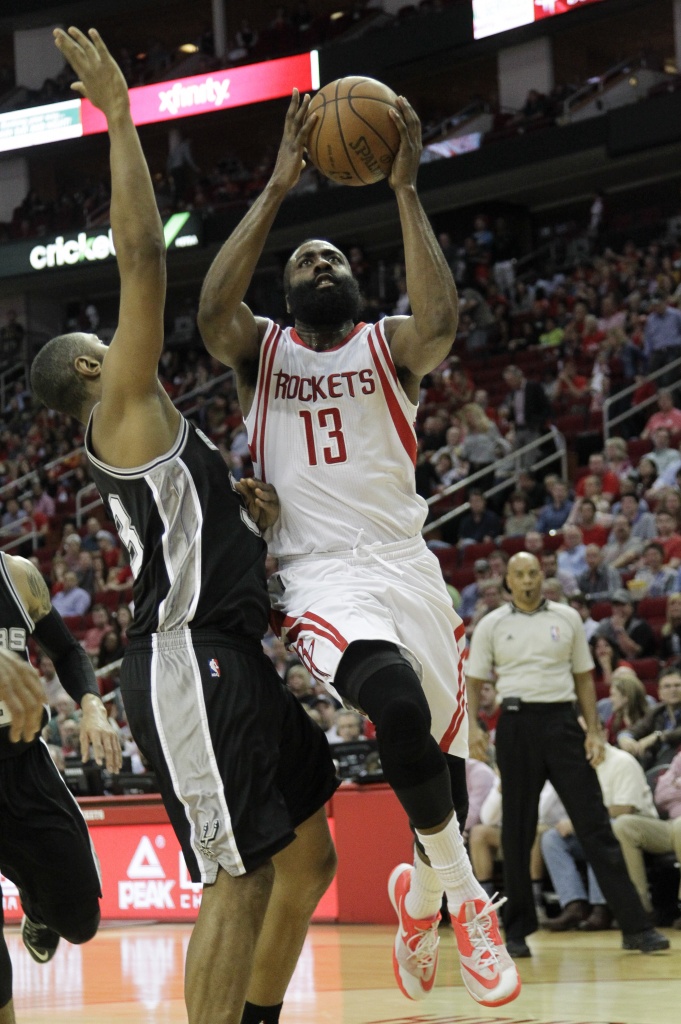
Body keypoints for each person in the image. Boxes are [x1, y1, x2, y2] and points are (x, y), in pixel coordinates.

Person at [29, 29, 337, 1024]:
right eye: (105, 343)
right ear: (89, 368)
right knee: (239, 878)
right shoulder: (119, 402)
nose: (122, 344)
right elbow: (140, 264)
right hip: (186, 660)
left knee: (310, 851)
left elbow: (188, 522)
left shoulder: (151, 434)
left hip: (228, 651)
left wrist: (237, 516)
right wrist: (120, 117)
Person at [198, 88, 521, 1008]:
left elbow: (443, 323)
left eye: (334, 253)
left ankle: (418, 899)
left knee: (440, 773)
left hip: (408, 569)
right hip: (319, 575)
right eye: (305, 256)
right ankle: (465, 904)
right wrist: (275, 189)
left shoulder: (389, 347)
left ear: (352, 282)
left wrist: (406, 189)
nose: (319, 260)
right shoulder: (262, 354)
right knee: (389, 704)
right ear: (289, 289)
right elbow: (213, 315)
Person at [466, 551, 669, 958]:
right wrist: (473, 726)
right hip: (516, 724)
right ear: (508, 579)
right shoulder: (491, 623)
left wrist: (593, 730)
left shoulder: (567, 618)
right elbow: (474, 679)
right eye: (519, 574)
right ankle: (518, 931)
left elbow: (583, 679)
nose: (527, 580)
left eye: (533, 572)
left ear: (543, 575)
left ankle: (635, 927)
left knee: (594, 822)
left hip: (562, 721)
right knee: (517, 830)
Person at [0, 551, 121, 1024]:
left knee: (79, 922)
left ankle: (39, 906)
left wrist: (92, 704)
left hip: (24, 763)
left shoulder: (18, 575)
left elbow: (67, 651)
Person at [542, 718, 658, 933]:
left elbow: (625, 809)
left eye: (586, 733)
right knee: (552, 838)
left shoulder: (622, 761)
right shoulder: (577, 767)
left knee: (601, 830)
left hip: (636, 829)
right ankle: (574, 904)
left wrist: (577, 823)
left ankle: (601, 907)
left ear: (603, 734)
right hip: (595, 828)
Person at [611, 747, 681, 927]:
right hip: (671, 824)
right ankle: (641, 908)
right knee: (624, 824)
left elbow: (671, 790)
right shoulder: (679, 758)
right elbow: (661, 794)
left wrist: (677, 785)